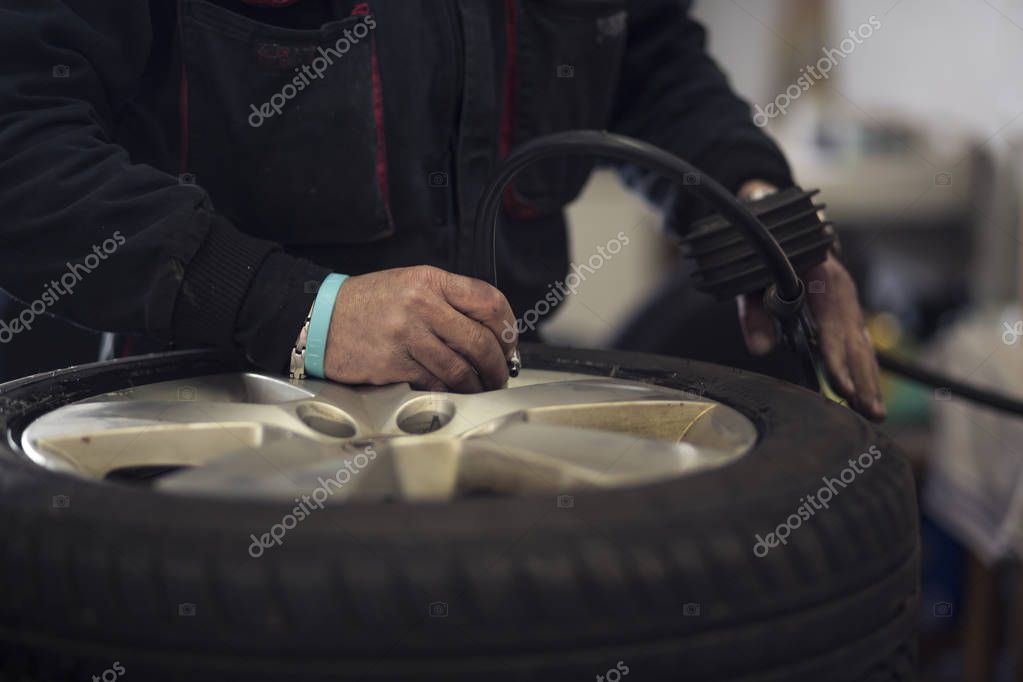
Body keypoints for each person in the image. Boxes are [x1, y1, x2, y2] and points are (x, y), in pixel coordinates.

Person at [0, 0, 884, 420]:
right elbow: (19, 139)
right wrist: (299, 311)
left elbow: (646, 51)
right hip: (209, 433)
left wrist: (752, 204)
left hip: (496, 415)